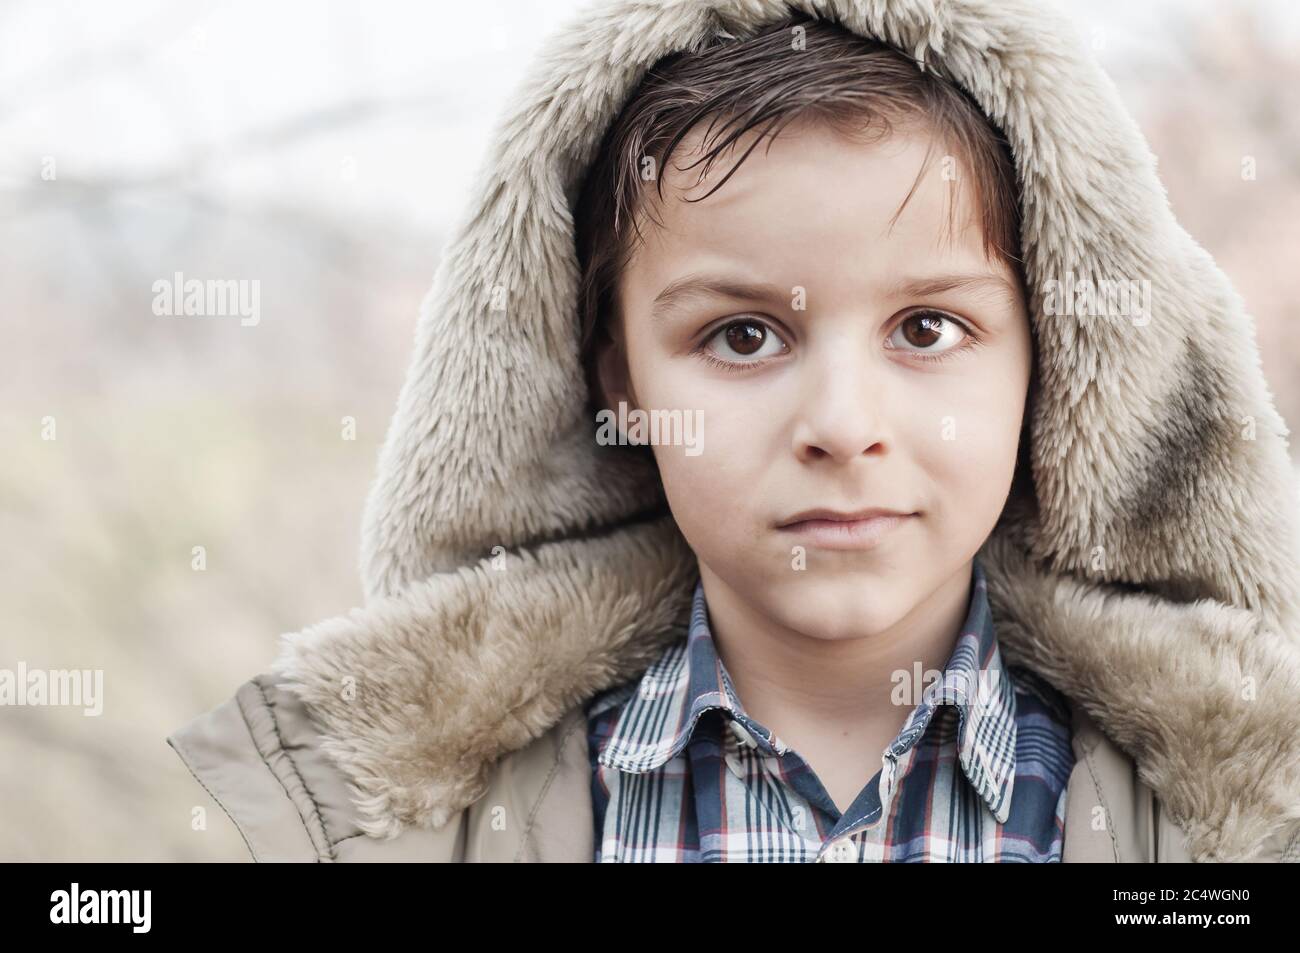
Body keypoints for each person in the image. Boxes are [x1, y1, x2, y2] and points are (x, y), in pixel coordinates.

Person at [166, 1, 1300, 863]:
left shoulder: (1226, 820)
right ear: (615, 378)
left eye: (926, 326)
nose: (842, 425)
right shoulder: (406, 822)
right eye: (744, 337)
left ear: (1050, 362)